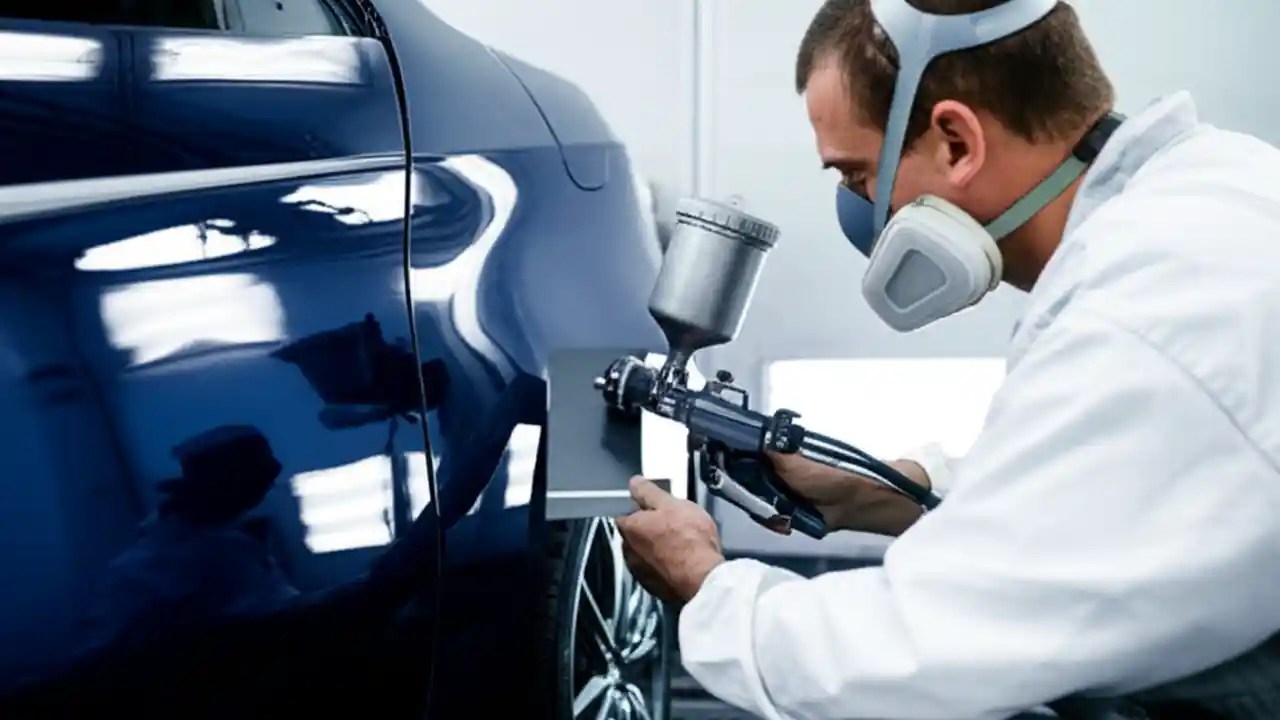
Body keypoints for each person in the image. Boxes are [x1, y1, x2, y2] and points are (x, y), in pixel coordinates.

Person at [615, 0, 1280, 718]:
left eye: (857, 177)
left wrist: (708, 588)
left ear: (957, 142)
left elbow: (914, 663)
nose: (860, 213)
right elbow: (1119, 496)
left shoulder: (1149, 319)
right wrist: (887, 490)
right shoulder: (1209, 195)